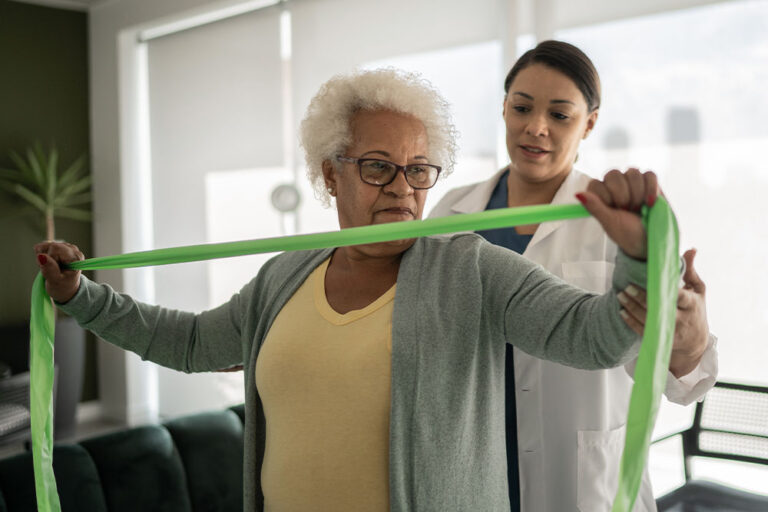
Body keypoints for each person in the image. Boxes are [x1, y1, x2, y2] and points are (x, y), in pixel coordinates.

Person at [38, 69, 660, 512]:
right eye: (378, 166)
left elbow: (593, 337)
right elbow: (193, 342)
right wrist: (80, 296)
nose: (402, 188)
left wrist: (637, 259)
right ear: (331, 174)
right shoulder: (284, 275)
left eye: (418, 170)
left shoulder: (471, 268)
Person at [429, 40, 718, 511]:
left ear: (590, 123)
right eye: (522, 107)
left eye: (560, 115)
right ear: (504, 108)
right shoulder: (451, 212)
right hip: (473, 461)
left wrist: (689, 340)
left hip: (582, 478)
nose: (536, 127)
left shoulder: (622, 221)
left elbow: (679, 378)